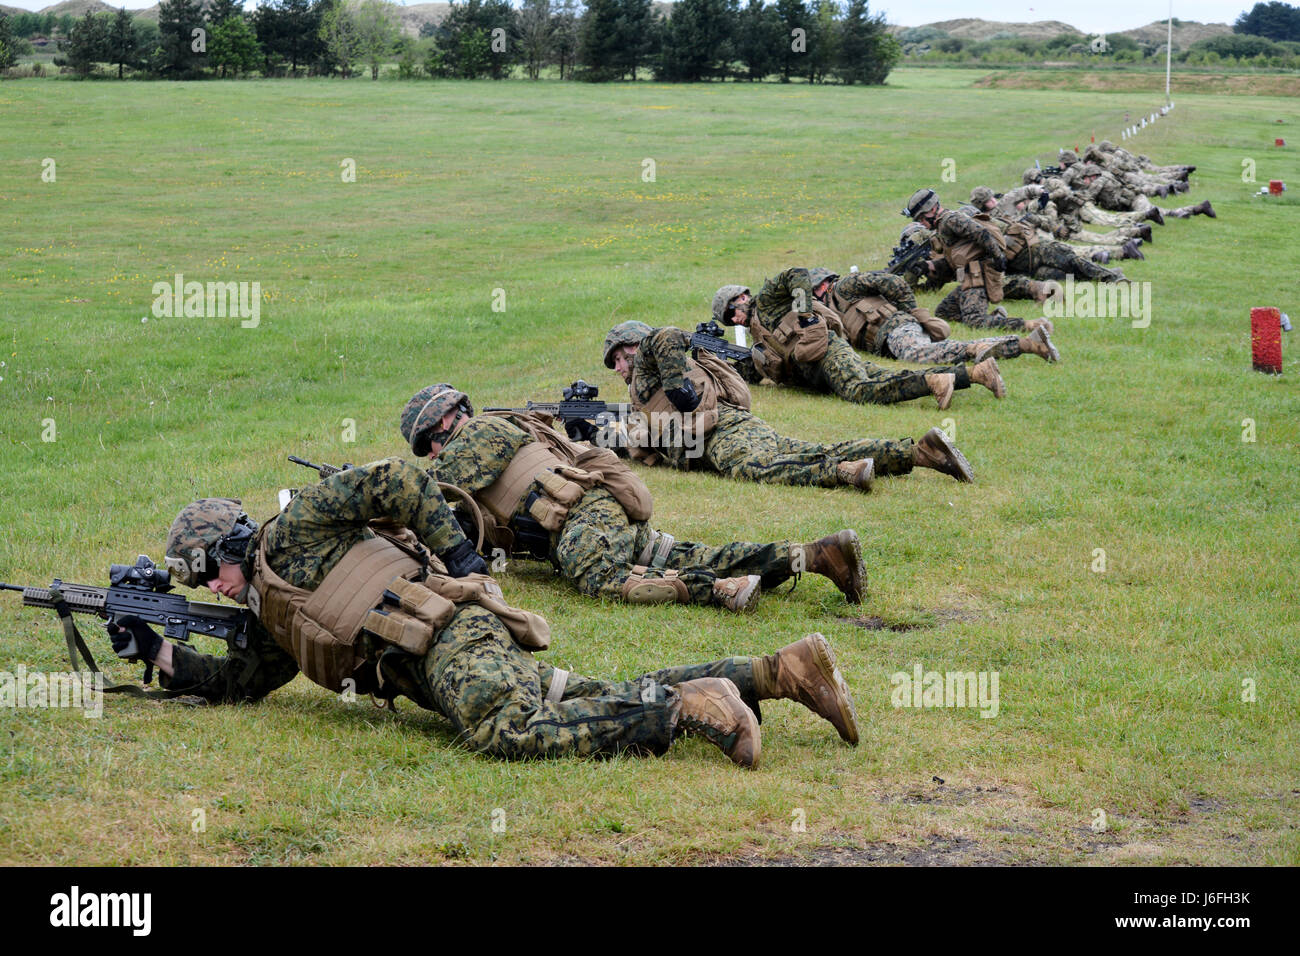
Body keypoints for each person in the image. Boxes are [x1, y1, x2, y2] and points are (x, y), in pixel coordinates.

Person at [104, 460, 863, 769]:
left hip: (452, 633)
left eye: (210, 573)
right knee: (572, 695)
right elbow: (239, 682)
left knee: (510, 730)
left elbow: (396, 479)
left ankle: (690, 708)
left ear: (229, 545)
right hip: (443, 652)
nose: (214, 589)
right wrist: (155, 653)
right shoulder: (276, 603)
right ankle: (779, 671)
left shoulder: (296, 526)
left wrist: (458, 556)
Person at [401, 384, 868, 611]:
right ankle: (814, 555)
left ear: (443, 423)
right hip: (596, 513)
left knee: (599, 577)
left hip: (582, 517)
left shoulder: (479, 431)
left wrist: (388, 492)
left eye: (430, 446)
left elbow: (429, 495)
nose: (435, 456)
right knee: (693, 554)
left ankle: (717, 591)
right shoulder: (491, 440)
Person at [601, 319, 976, 489]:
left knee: (752, 470)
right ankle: (918, 452)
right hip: (737, 426)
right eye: (614, 363)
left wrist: (676, 386)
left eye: (620, 356)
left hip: (724, 430)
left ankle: (842, 473)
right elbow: (647, 445)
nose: (618, 367)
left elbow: (665, 336)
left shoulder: (651, 361)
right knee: (812, 449)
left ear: (635, 346)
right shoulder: (640, 397)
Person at [712, 269, 1003, 411]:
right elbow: (751, 370)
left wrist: (805, 316)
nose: (734, 319)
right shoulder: (758, 338)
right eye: (729, 319)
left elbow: (796, 274)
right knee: (890, 375)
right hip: (821, 371)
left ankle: (934, 383)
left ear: (742, 297)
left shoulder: (768, 300)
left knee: (859, 391)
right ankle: (976, 374)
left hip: (830, 353)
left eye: (732, 311)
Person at [810, 266, 1059, 367]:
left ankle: (989, 347)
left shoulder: (844, 286)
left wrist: (911, 311)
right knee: (943, 351)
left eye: (814, 291)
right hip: (891, 338)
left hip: (897, 329)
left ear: (823, 284)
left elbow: (891, 281)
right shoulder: (832, 310)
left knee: (915, 354)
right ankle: (1028, 343)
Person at [902, 187, 1031, 333]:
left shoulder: (951, 220)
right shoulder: (942, 226)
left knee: (974, 321)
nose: (922, 223)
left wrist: (998, 256)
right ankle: (997, 318)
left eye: (921, 218)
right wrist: (927, 266)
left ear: (932, 209)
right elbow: (954, 261)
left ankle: (1029, 325)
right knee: (944, 312)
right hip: (968, 276)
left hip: (978, 276)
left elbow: (980, 232)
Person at [968, 186, 1131, 282]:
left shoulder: (1003, 205)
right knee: (1066, 266)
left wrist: (1039, 190)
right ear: (982, 205)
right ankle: (1109, 276)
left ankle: (1108, 275)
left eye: (992, 198)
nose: (994, 201)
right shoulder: (983, 224)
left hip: (1030, 253)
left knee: (1067, 266)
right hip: (1025, 260)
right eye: (989, 200)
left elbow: (1021, 192)